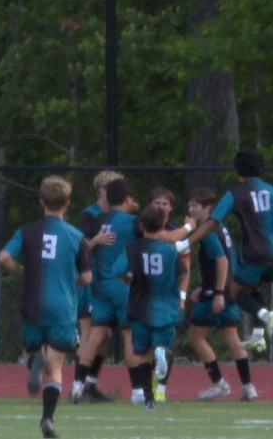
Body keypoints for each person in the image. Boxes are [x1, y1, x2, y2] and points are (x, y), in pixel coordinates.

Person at [177, 150, 273, 353]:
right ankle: (259, 337)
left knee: (232, 291)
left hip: (256, 256)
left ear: (238, 171)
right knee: (252, 286)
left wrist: (185, 243)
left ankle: (265, 314)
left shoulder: (235, 193)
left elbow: (213, 222)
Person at [0, 175, 93, 438]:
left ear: (41, 201)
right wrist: (69, 279)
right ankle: (47, 420)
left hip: (33, 302)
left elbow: (4, 256)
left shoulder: (27, 231)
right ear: (67, 203)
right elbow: (86, 277)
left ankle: (33, 363)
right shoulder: (76, 236)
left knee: (30, 354)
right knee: (57, 366)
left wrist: (21, 271)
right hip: (63, 305)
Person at [71, 177, 145, 404]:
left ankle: (77, 384)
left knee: (95, 334)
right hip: (122, 285)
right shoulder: (132, 223)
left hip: (100, 286)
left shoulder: (101, 220)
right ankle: (138, 391)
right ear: (126, 198)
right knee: (129, 334)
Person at [185, 187, 258, 401]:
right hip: (225, 290)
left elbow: (222, 261)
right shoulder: (221, 228)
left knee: (196, 338)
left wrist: (217, 292)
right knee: (232, 339)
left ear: (208, 208)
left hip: (217, 293)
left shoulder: (207, 231)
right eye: (189, 205)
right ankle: (248, 386)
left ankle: (219, 383)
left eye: (195, 205)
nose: (190, 208)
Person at [114, 205, 188, 410]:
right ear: (163, 225)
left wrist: (128, 276)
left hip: (140, 306)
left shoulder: (131, 248)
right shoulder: (169, 250)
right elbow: (181, 274)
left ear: (140, 225)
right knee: (163, 344)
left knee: (142, 354)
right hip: (165, 305)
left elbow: (117, 270)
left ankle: (148, 399)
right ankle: (162, 352)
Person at [71, 170, 121, 403]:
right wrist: (96, 241)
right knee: (91, 334)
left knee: (106, 334)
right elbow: (81, 250)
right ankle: (79, 387)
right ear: (102, 190)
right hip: (91, 282)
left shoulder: (118, 215)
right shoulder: (90, 215)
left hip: (108, 283)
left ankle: (89, 385)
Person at [146, 186, 195, 402]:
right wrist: (188, 227)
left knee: (166, 343)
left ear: (171, 207)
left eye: (164, 203)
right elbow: (163, 236)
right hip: (144, 295)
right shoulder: (143, 227)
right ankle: (145, 386)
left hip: (168, 296)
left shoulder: (177, 233)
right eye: (156, 202)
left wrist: (182, 298)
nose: (160, 206)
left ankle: (161, 388)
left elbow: (185, 270)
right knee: (144, 344)